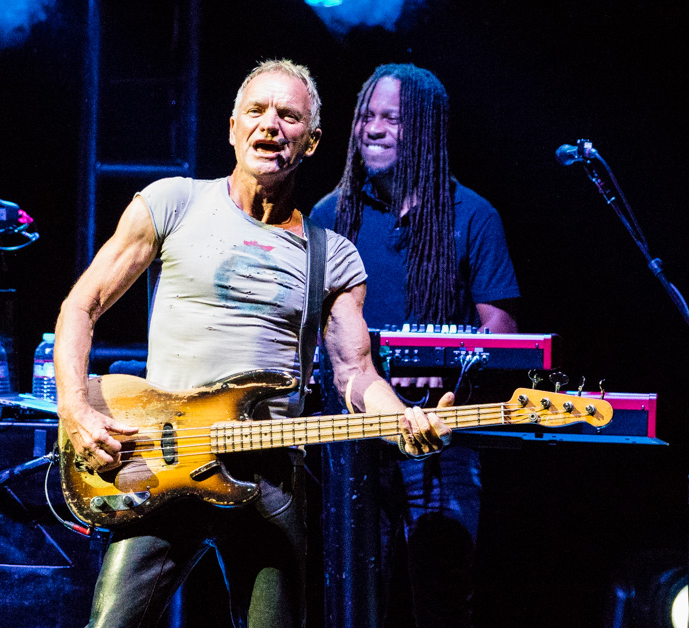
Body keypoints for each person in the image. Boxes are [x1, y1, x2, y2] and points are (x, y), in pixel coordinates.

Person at [54, 59, 453, 628]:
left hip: (270, 472)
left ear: (312, 141)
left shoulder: (333, 255)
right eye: (256, 111)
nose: (270, 125)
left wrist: (405, 422)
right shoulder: (173, 202)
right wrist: (74, 408)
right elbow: (81, 306)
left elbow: (355, 374)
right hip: (165, 458)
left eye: (289, 115)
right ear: (232, 128)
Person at [310, 63, 521, 628]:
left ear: (426, 129)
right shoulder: (330, 216)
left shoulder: (473, 216)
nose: (373, 128)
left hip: (444, 440)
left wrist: (447, 367)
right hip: (353, 442)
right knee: (353, 605)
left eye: (392, 118)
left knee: (442, 599)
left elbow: (502, 338)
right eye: (367, 116)